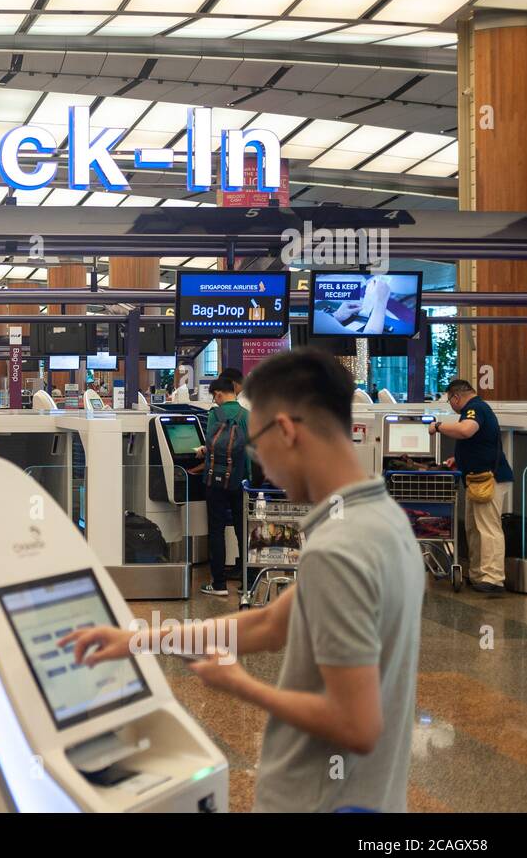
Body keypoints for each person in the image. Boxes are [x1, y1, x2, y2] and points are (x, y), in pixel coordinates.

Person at [62, 348, 423, 812]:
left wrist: (240, 685)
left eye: (256, 445)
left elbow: (357, 724)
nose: (260, 463)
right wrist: (138, 641)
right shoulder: (385, 519)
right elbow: (270, 625)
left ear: (287, 431)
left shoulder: (340, 549)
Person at [433, 380, 513, 594]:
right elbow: (477, 442)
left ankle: (493, 578)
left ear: (456, 397)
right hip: (477, 479)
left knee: (488, 529)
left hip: (488, 480)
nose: (451, 405)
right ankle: (479, 574)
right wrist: (458, 458)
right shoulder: (477, 408)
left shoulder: (475, 408)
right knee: (475, 528)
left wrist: (438, 426)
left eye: (449, 400)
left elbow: (466, 431)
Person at [197, 376, 249, 597]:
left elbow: (211, 445)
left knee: (216, 530)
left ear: (219, 393)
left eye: (214, 396)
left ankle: (219, 584)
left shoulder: (213, 415)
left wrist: (201, 451)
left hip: (216, 481)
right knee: (242, 529)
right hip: (241, 480)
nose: (215, 400)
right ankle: (247, 583)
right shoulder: (247, 415)